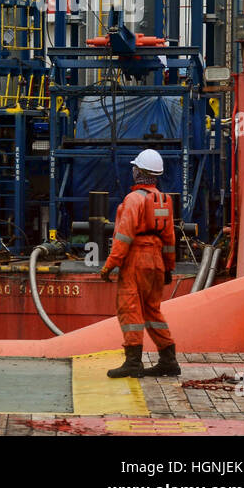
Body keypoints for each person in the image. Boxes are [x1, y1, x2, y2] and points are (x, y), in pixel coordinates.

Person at [100, 149, 179, 378]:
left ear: (140, 172)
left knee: (130, 310)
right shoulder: (165, 200)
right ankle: (168, 359)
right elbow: (170, 239)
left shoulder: (133, 200)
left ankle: (133, 362)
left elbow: (123, 237)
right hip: (156, 262)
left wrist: (109, 266)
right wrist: (168, 267)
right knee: (152, 310)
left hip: (135, 260)